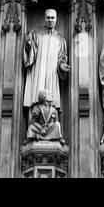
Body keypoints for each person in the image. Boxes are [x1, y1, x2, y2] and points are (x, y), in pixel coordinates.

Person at [23, 9, 69, 142]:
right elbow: (29, 55)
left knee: (51, 99)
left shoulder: (60, 40)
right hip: (38, 72)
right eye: (48, 18)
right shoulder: (36, 35)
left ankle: (53, 134)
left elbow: (62, 58)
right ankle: (32, 132)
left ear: (56, 19)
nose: (50, 20)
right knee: (35, 98)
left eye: (52, 18)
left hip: (52, 74)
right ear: (44, 18)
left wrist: (62, 66)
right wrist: (28, 46)